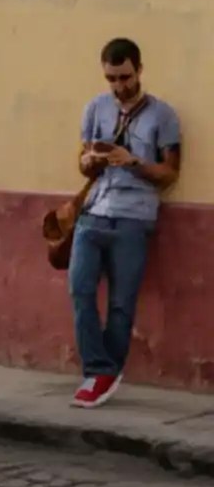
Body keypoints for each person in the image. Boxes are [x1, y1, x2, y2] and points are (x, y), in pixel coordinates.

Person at [68, 37, 181, 408]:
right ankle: (99, 369)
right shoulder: (96, 108)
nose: (119, 86)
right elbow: (81, 157)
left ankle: (104, 373)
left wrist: (132, 161)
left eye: (125, 77)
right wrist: (89, 162)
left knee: (121, 303)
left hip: (134, 217)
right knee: (80, 289)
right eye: (112, 78)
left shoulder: (163, 116)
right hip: (94, 211)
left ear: (139, 70)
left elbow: (169, 173)